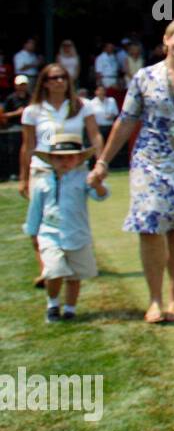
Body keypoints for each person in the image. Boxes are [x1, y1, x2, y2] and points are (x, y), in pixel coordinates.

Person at [89, 17, 174, 324]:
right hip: (150, 161)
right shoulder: (144, 78)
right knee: (150, 227)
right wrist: (103, 161)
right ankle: (154, 299)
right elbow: (125, 121)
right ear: (166, 41)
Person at [21, 63, 105, 287]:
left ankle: (68, 262)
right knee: (37, 220)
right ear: (45, 82)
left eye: (63, 77)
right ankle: (47, 268)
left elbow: (95, 135)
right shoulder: (34, 110)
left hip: (75, 168)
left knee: (71, 216)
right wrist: (23, 178)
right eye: (54, 78)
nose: (59, 81)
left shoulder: (81, 106)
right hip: (42, 168)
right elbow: (28, 145)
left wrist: (100, 163)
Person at [24, 134, 110, 323]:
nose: (65, 161)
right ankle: (52, 304)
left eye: (70, 157)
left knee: (74, 275)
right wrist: (32, 232)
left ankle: (70, 308)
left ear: (79, 158)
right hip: (50, 234)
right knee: (54, 271)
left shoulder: (84, 179)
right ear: (51, 159)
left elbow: (101, 196)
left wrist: (98, 184)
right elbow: (35, 209)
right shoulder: (43, 183)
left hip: (77, 234)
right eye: (59, 157)